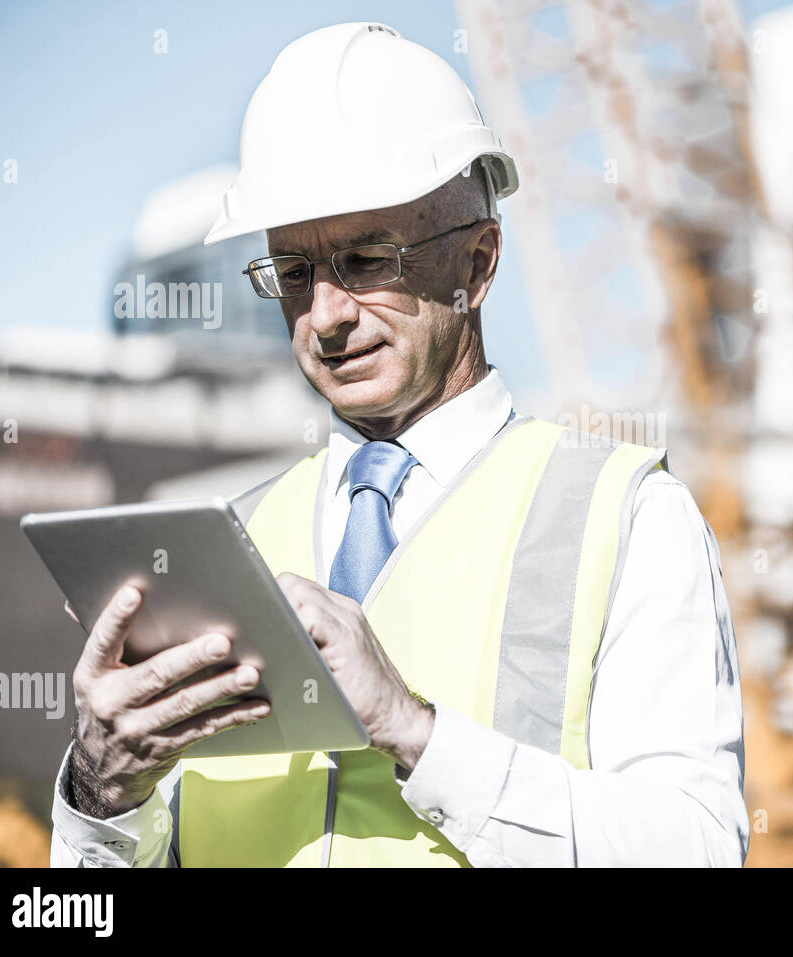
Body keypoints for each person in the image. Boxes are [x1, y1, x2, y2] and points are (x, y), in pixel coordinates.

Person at [49, 21, 746, 867]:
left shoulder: (628, 517)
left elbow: (697, 850)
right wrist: (99, 793)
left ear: (479, 262)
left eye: (367, 258)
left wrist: (415, 732)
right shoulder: (226, 538)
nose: (328, 315)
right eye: (294, 274)